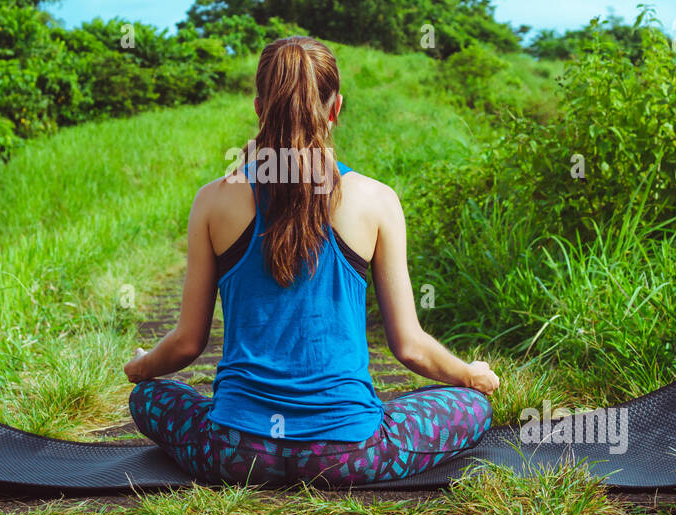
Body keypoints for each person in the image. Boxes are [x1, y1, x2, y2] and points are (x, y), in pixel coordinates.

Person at [125, 35, 498, 487]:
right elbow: (410, 346)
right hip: (347, 455)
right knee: (474, 406)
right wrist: (468, 374)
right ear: (335, 108)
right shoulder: (377, 200)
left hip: (237, 453)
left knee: (148, 397)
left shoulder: (213, 200)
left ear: (260, 108)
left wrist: (141, 368)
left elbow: (187, 344)